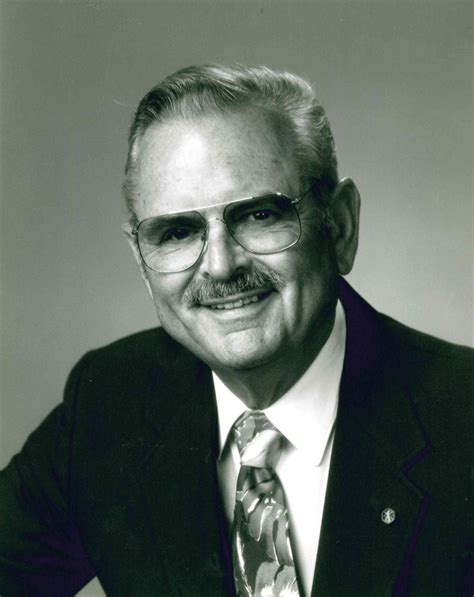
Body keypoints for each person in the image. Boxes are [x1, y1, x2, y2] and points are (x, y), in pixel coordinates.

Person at [0, 64, 472, 597]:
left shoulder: (464, 418)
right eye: (177, 232)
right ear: (141, 260)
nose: (220, 266)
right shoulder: (110, 402)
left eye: (259, 216)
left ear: (339, 226)